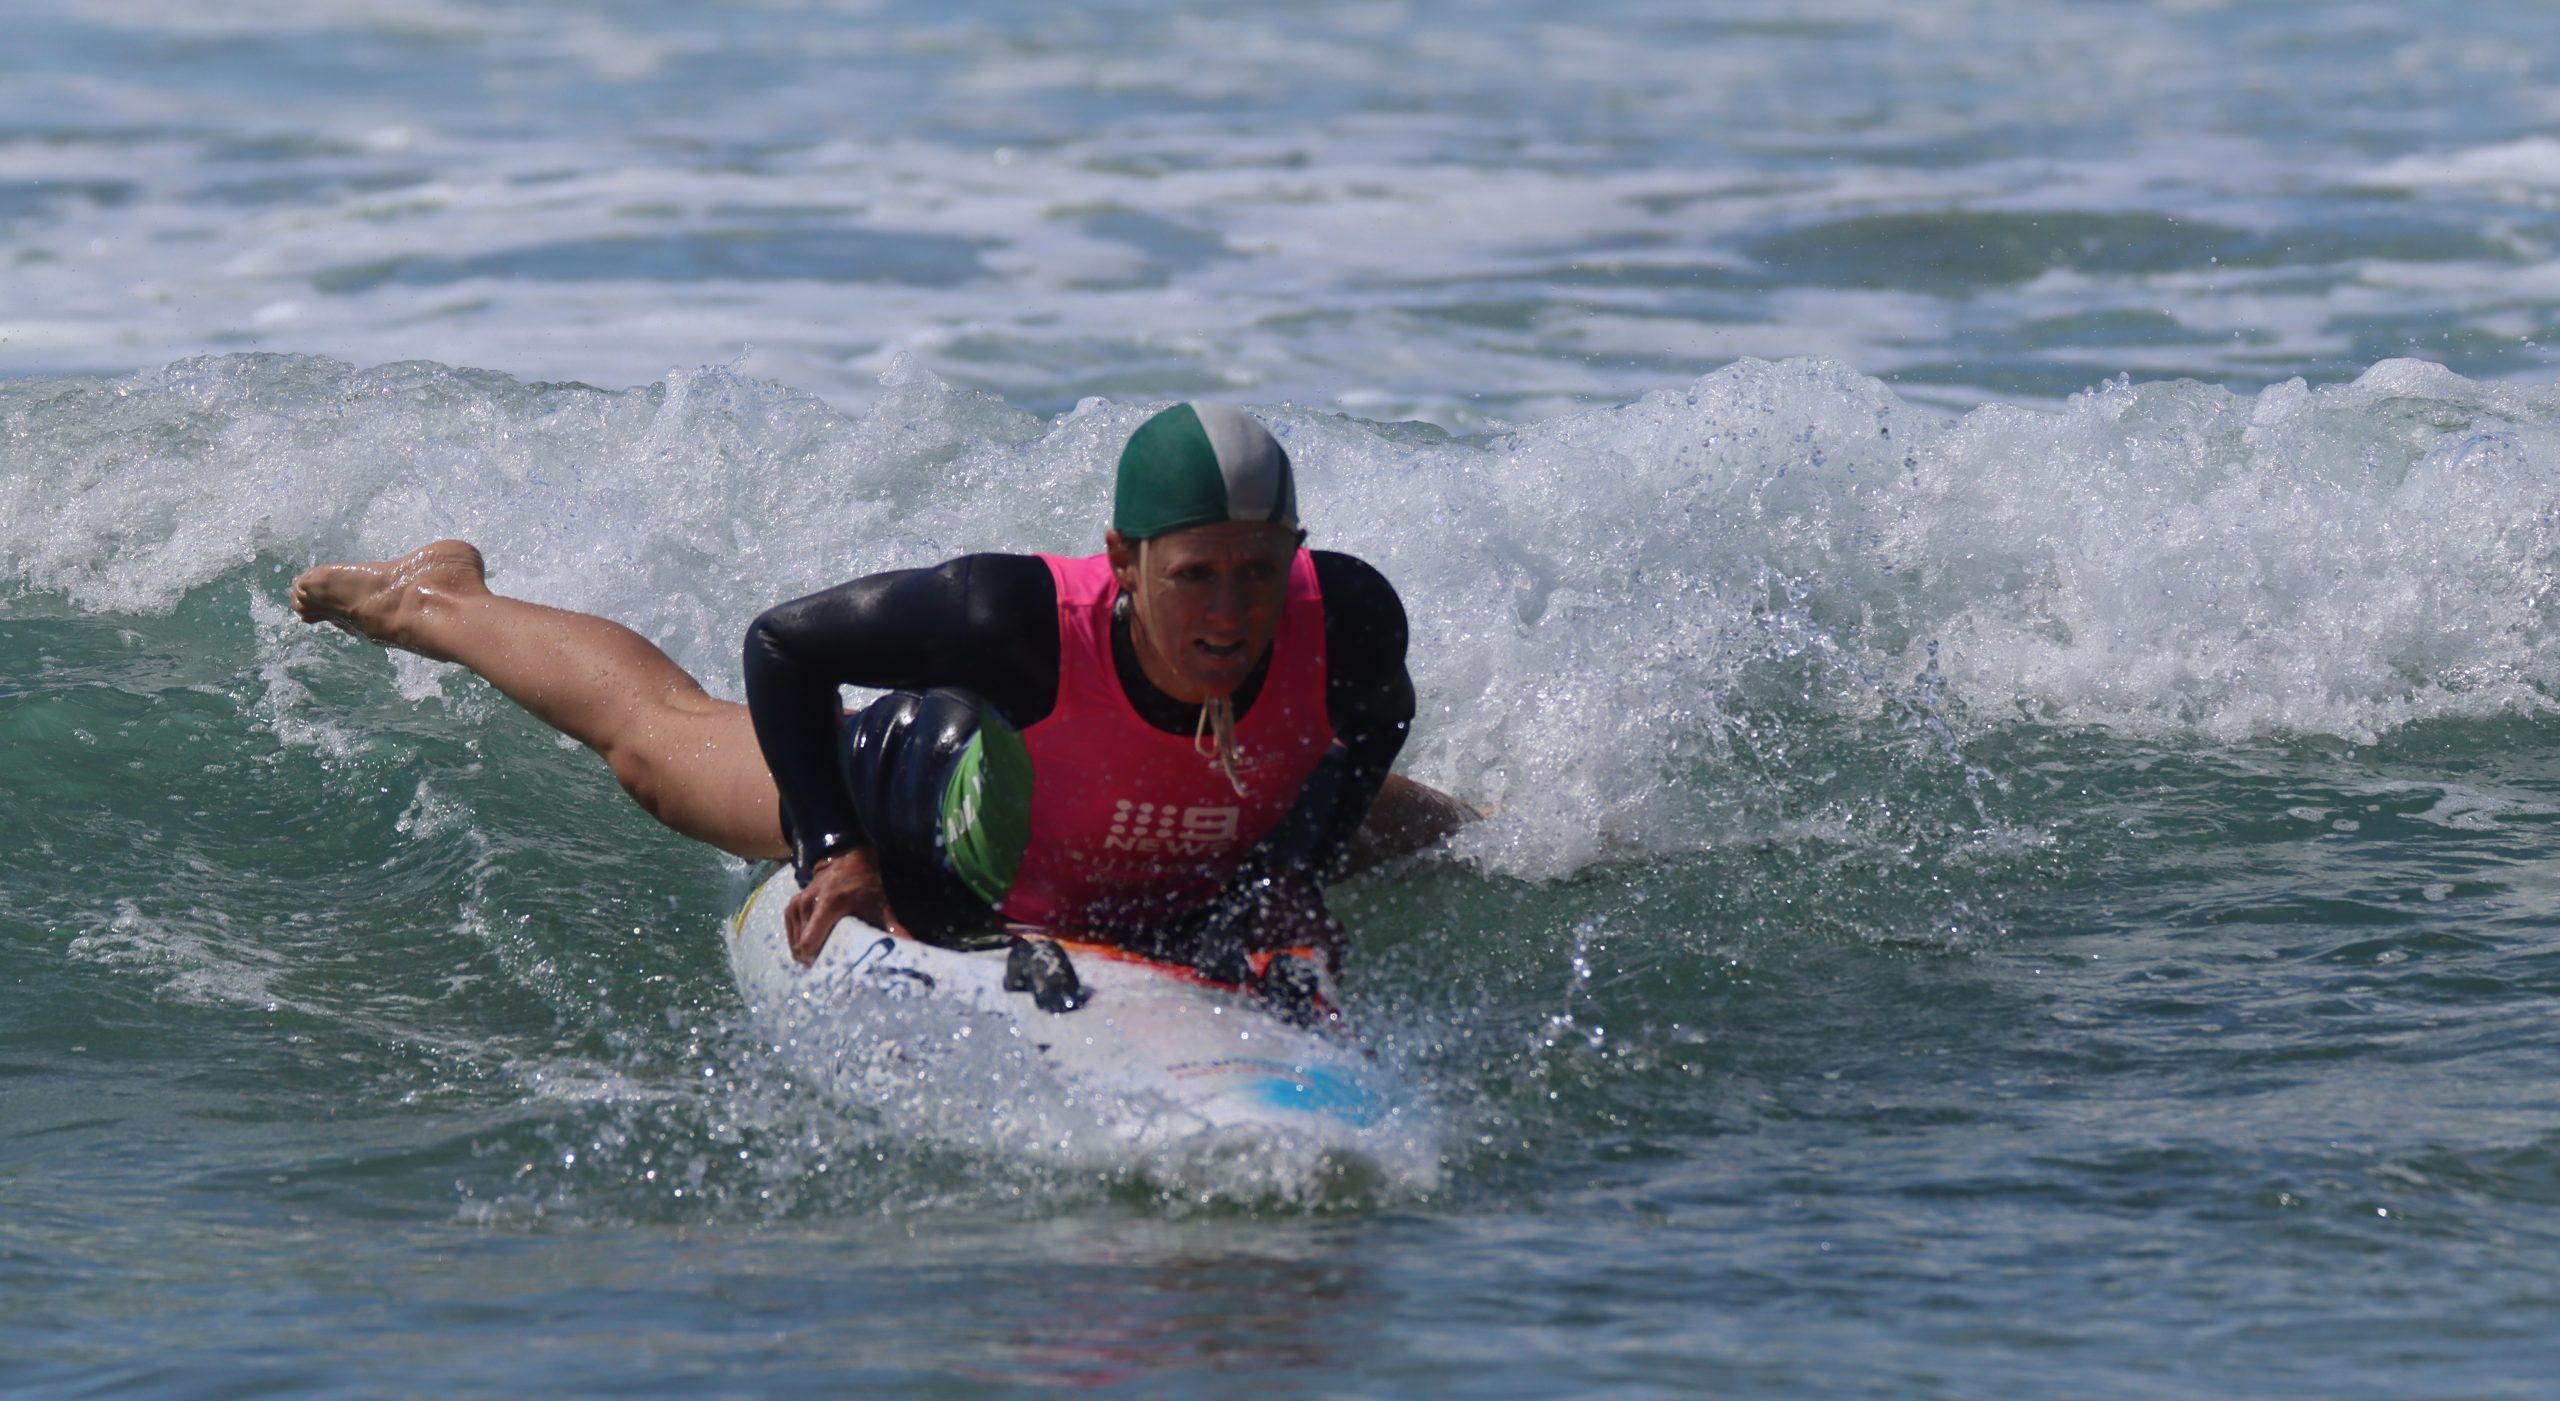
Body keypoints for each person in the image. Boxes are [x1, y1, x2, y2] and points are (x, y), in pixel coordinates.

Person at [291, 402, 1472, 974]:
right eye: (1194, 575)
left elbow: (1377, 721)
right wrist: (832, 851)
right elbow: (782, 648)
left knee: (1419, 830)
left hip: (1158, 797)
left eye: (1258, 573)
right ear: (1123, 561)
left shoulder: (1347, 618)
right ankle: (438, 598)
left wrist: (1289, 869)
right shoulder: (1004, 618)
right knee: (658, 748)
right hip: (936, 803)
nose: (1229, 613)